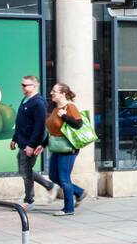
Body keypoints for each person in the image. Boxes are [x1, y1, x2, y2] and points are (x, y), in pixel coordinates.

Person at [9, 75, 54, 209]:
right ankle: (49, 186)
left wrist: (31, 145)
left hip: (30, 144)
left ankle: (29, 201)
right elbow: (21, 122)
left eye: (25, 85)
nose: (22, 87)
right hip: (22, 142)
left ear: (34, 86)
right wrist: (14, 138)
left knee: (25, 171)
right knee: (24, 170)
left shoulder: (38, 103)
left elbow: (40, 126)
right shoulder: (26, 100)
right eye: (22, 84)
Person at [45, 83, 87, 217]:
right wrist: (42, 144)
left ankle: (68, 208)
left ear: (63, 93)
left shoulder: (70, 107)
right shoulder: (54, 109)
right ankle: (79, 192)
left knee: (64, 178)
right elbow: (52, 131)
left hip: (68, 148)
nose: (51, 93)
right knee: (53, 176)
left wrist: (64, 116)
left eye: (54, 91)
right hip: (56, 147)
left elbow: (78, 124)